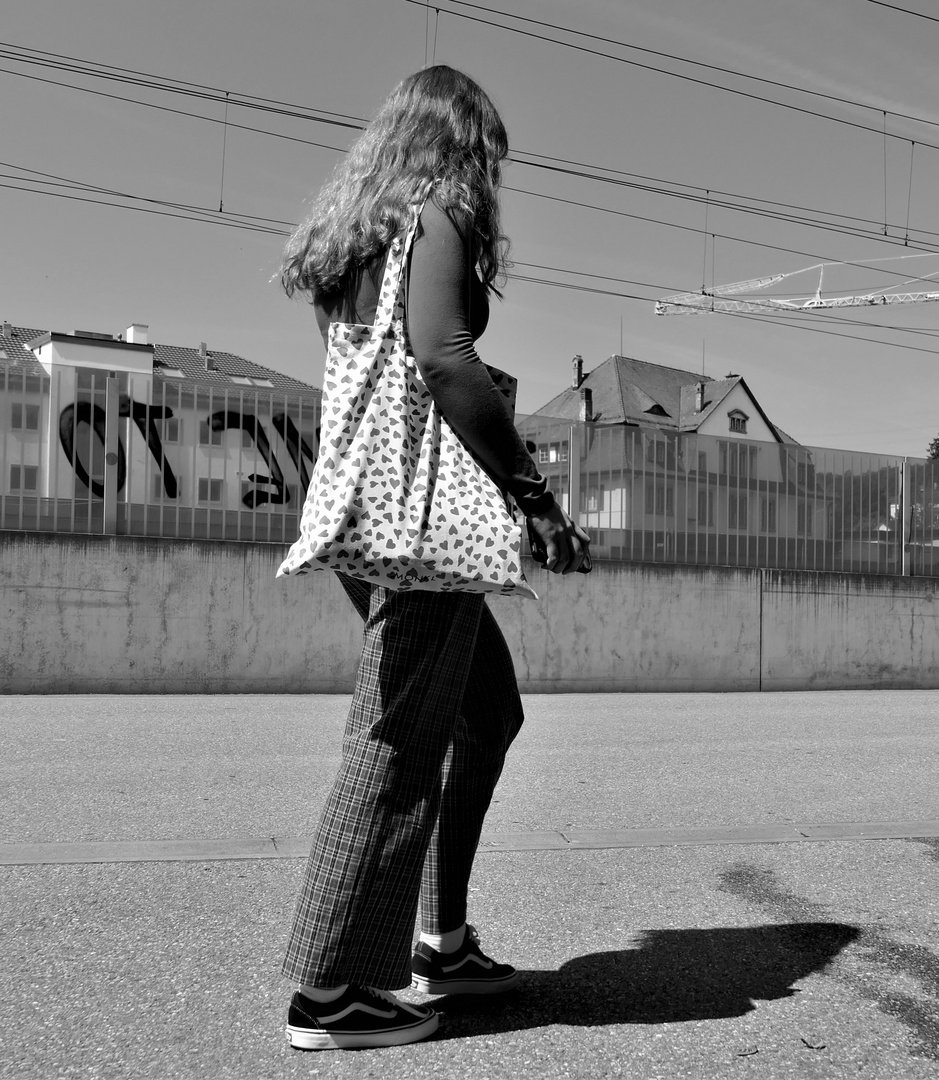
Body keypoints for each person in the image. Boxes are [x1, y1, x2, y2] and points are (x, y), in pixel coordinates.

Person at [276, 65, 590, 1051]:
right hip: (421, 527)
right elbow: (445, 356)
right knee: (394, 736)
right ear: (457, 145)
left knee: (483, 712)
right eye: (485, 150)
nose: (490, 172)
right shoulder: (439, 211)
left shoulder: (358, 239)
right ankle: (330, 991)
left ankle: (437, 937)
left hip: (363, 513)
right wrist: (534, 497)